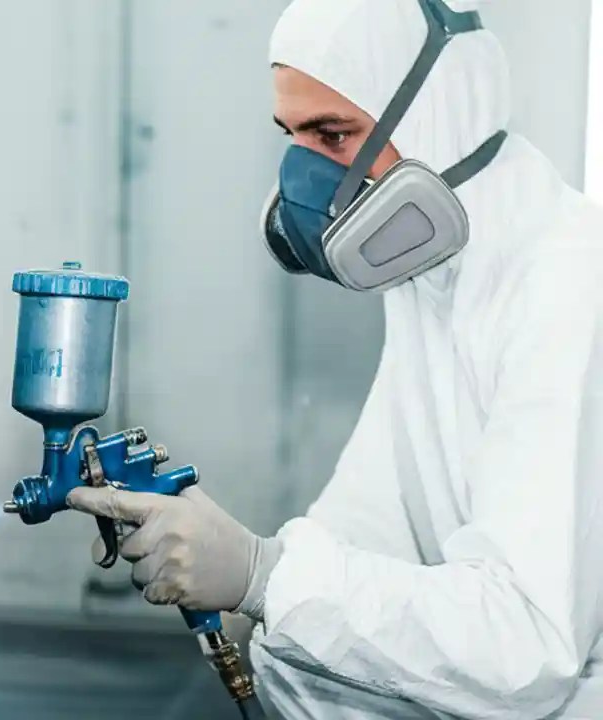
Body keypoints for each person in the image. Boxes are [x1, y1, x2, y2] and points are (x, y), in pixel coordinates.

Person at [66, 0, 603, 717]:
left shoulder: (568, 281)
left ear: (434, 117)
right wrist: (257, 581)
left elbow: (527, 645)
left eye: (333, 134)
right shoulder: (435, 280)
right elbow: (372, 524)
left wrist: (266, 577)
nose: (305, 178)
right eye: (292, 136)